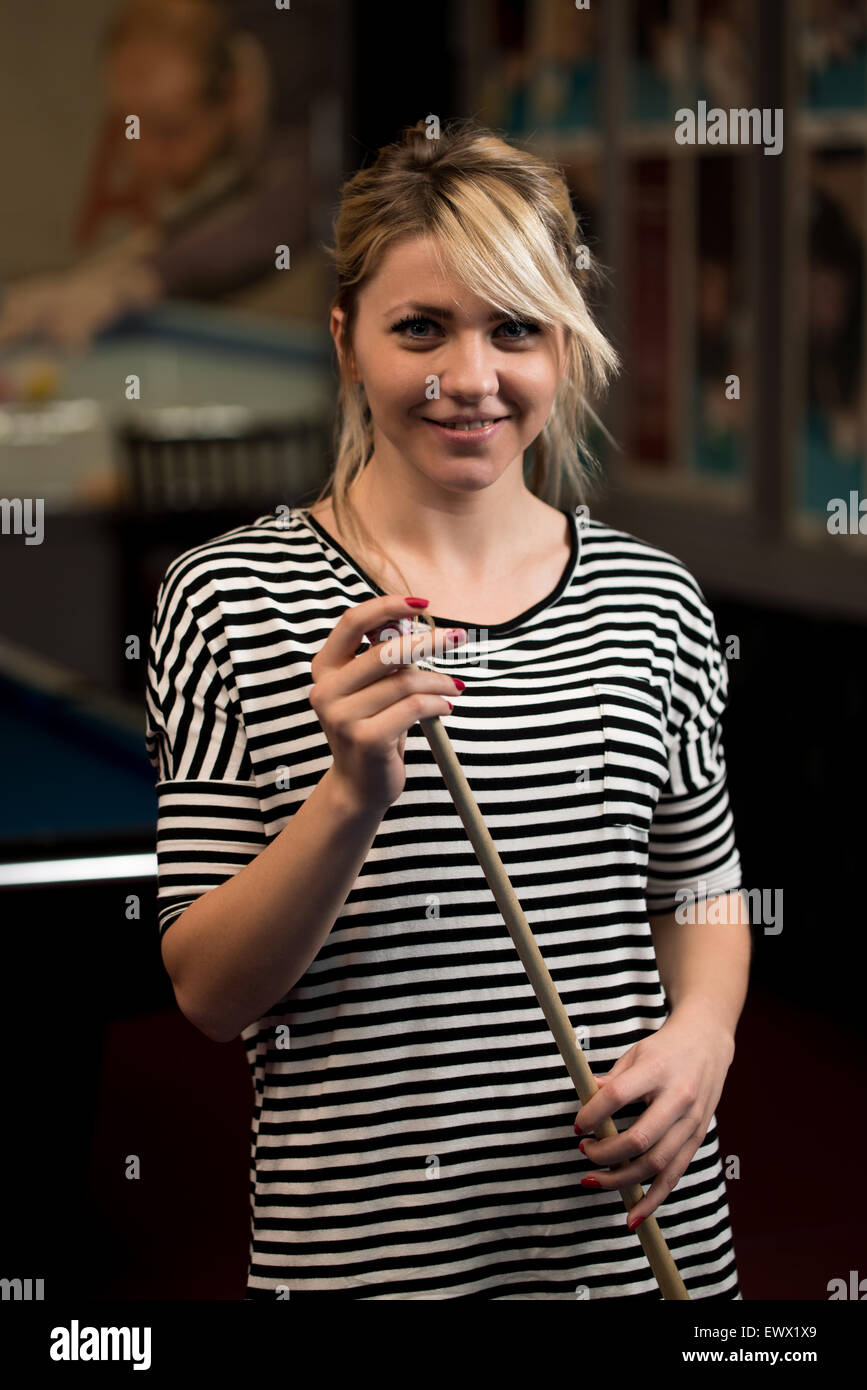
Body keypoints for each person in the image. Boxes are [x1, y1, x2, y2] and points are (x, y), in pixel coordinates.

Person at [145, 117, 752, 1299]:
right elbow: (209, 995)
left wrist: (705, 1038)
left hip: (633, 1251)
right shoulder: (228, 594)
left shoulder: (653, 594)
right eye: (420, 327)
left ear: (564, 349)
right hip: (364, 1262)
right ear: (346, 343)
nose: (470, 378)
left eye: (515, 329)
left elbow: (704, 889)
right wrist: (349, 800)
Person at [0, 0, 315, 350]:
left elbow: (291, 209)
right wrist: (86, 280)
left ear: (235, 92)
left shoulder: (328, 66)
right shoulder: (242, 39)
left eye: (169, 131)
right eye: (132, 126)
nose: (145, 163)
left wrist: (142, 279)